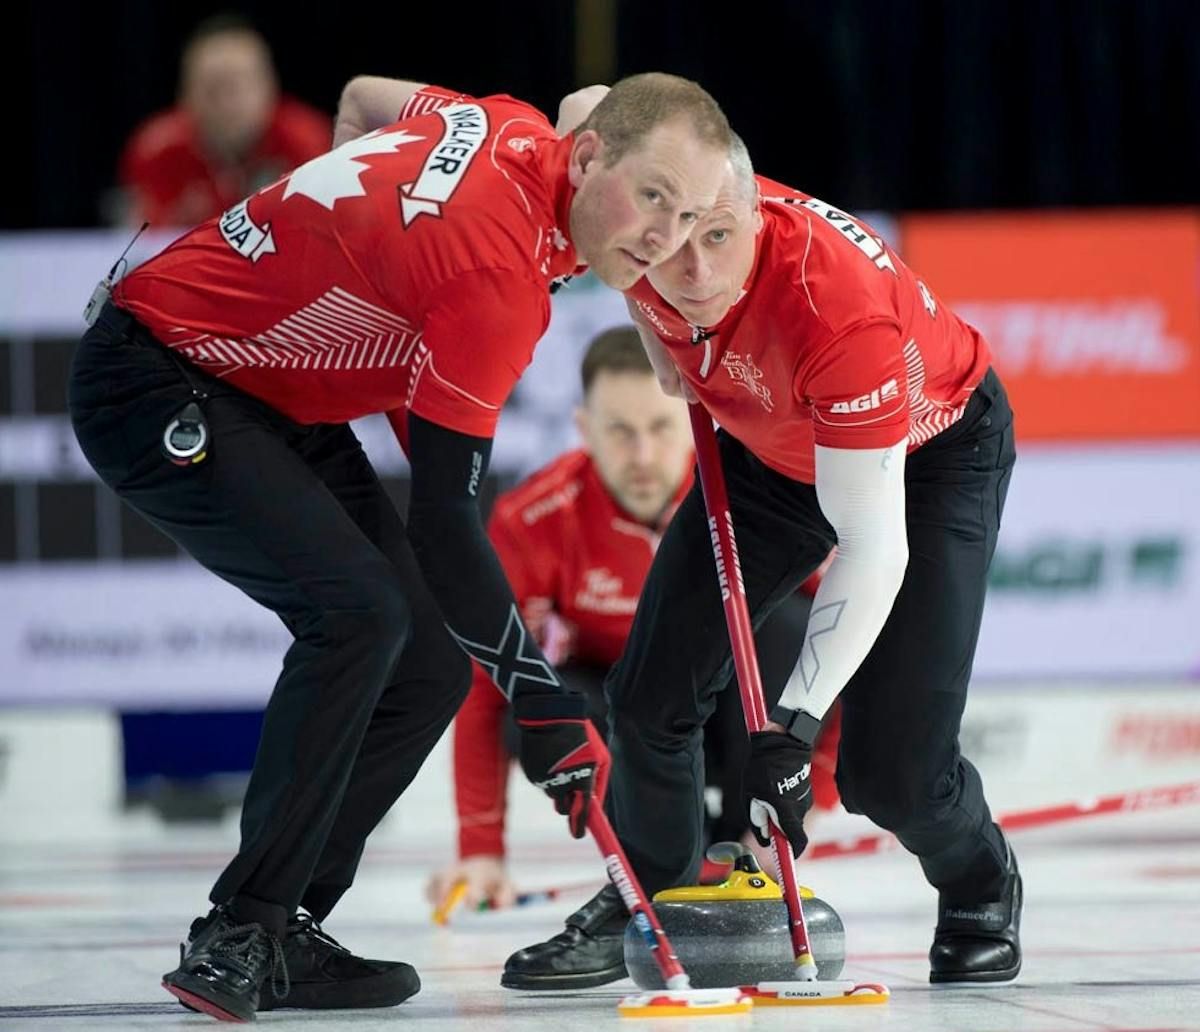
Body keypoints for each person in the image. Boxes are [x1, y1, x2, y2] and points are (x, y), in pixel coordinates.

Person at [69, 73, 732, 1022]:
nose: (667, 237)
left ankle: (288, 922)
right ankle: (242, 927)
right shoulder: (496, 281)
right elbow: (445, 525)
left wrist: (349, 237)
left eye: (691, 214)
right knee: (359, 614)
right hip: (156, 374)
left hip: (263, 387)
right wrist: (544, 706)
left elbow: (361, 96)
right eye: (653, 197)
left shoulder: (502, 125)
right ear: (587, 158)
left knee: (428, 655)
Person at [504, 136, 1021, 989]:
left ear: (756, 216)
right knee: (649, 695)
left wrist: (795, 730)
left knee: (892, 773)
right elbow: (589, 119)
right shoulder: (634, 214)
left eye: (718, 238)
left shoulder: (837, 308)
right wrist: (653, 334)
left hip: (928, 452)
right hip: (773, 442)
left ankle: (980, 880)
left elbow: (871, 543)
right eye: (672, 243)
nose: (694, 272)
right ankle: (648, 899)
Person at [425, 327, 837, 920]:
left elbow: (858, 642)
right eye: (620, 431)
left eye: (661, 428)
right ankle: (668, 854)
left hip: (737, 727)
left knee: (793, 626)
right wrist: (481, 849)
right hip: (628, 726)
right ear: (584, 428)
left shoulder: (755, 497)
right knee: (536, 697)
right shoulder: (532, 520)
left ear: (695, 421)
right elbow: (489, 683)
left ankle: (751, 841)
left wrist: (812, 798)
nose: (642, 456)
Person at [117, 14, 331, 227]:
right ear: (184, 93)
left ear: (269, 86)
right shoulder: (155, 151)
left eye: (237, 87)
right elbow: (149, 238)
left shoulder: (311, 145)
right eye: (212, 89)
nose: (226, 103)